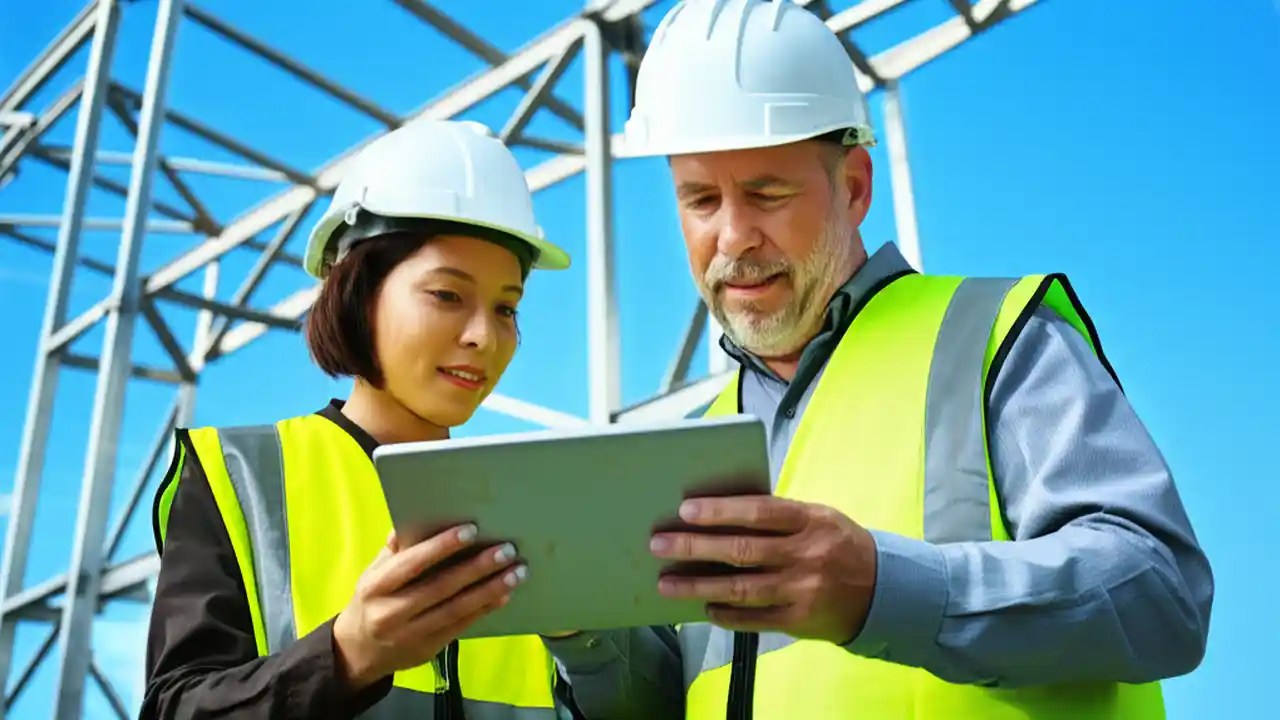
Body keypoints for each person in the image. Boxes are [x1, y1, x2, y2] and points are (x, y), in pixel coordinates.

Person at [542, 1, 1214, 718]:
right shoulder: (696, 437)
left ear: (854, 187)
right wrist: (582, 630)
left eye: (767, 194)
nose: (733, 237)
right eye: (701, 199)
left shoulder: (990, 336)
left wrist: (880, 589)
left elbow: (1160, 592)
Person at [141, 119, 583, 719]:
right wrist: (349, 653)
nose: (485, 336)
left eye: (506, 307)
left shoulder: (530, 509)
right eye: (448, 295)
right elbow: (176, 708)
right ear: (357, 291)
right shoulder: (239, 475)